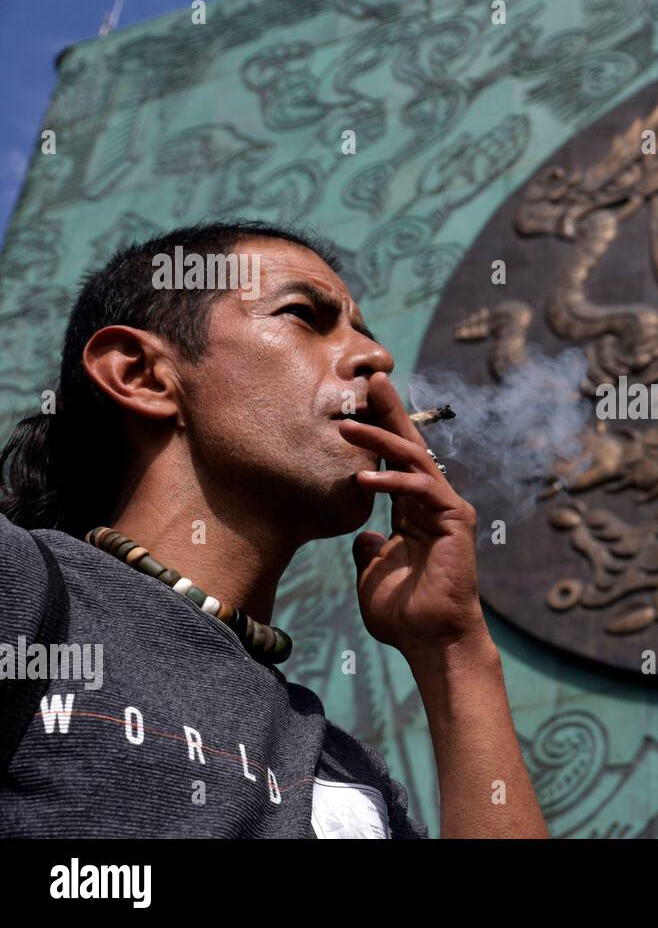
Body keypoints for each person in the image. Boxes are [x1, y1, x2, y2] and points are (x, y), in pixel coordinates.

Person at [0, 220, 548, 838]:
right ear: (142, 375)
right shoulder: (22, 591)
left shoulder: (345, 773)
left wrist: (454, 651)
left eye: (364, 334)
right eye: (304, 316)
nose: (377, 359)